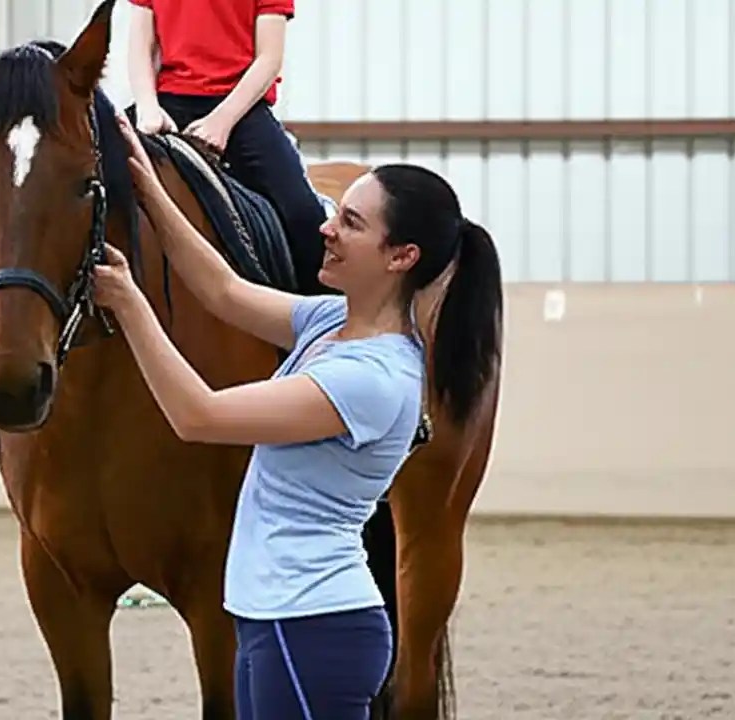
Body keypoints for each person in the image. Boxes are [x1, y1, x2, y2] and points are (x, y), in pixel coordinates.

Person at [96, 115, 503, 719]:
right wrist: (149, 187)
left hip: (312, 624)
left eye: (350, 222)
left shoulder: (372, 377)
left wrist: (130, 305)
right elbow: (224, 292)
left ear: (401, 257)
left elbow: (198, 415)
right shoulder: (325, 323)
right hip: (275, 616)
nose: (326, 228)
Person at [126, 0, 331, 296]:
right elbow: (140, 46)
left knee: (303, 214)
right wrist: (148, 108)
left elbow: (269, 58)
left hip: (241, 109)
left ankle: (324, 327)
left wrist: (222, 121)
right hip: (164, 103)